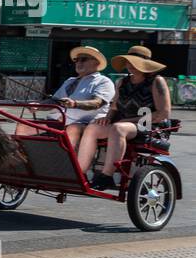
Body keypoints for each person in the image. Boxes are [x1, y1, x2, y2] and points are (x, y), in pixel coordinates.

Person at [81, 45, 171, 191]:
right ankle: (81, 172)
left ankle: (107, 176)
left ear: (146, 65)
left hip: (148, 125)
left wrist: (131, 121)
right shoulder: (122, 83)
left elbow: (163, 113)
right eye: (129, 62)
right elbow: (115, 107)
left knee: (118, 128)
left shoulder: (156, 81)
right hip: (124, 124)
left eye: (135, 63)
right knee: (92, 128)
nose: (131, 66)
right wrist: (108, 117)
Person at [17, 46, 114, 175]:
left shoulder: (103, 81)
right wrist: (39, 105)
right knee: (24, 126)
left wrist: (75, 104)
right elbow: (56, 101)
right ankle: (26, 165)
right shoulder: (70, 81)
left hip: (85, 124)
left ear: (96, 62)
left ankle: (66, 168)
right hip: (60, 121)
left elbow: (97, 103)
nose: (79, 63)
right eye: (76, 60)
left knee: (72, 129)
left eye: (83, 59)